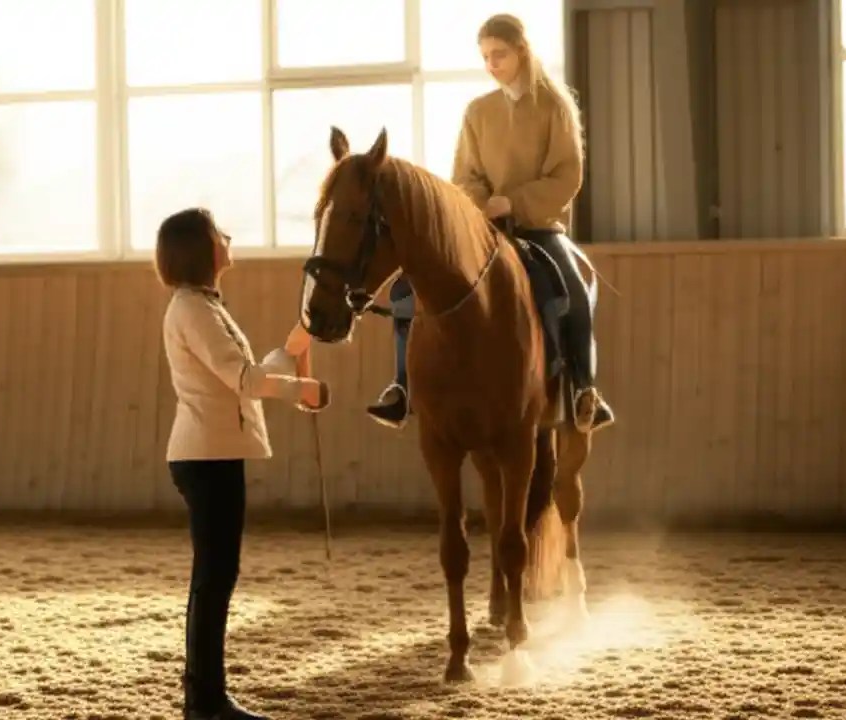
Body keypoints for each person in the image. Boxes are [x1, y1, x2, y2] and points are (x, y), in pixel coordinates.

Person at [365, 12, 615, 434]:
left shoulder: (555, 107)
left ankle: (582, 389)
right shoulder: (478, 112)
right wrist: (481, 206)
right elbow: (464, 175)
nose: (491, 64)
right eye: (484, 57)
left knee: (572, 286)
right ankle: (402, 387)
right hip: (484, 228)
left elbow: (567, 175)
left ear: (521, 50)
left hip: (539, 226)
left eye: (498, 54)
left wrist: (513, 202)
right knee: (408, 286)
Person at [156, 207, 323, 720]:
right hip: (207, 456)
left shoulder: (202, 305)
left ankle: (204, 696)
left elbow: (247, 373)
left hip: (213, 453)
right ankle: (204, 700)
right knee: (214, 577)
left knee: (217, 575)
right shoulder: (194, 310)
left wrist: (290, 348)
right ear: (200, 248)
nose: (227, 236)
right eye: (217, 232)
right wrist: (305, 389)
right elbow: (247, 383)